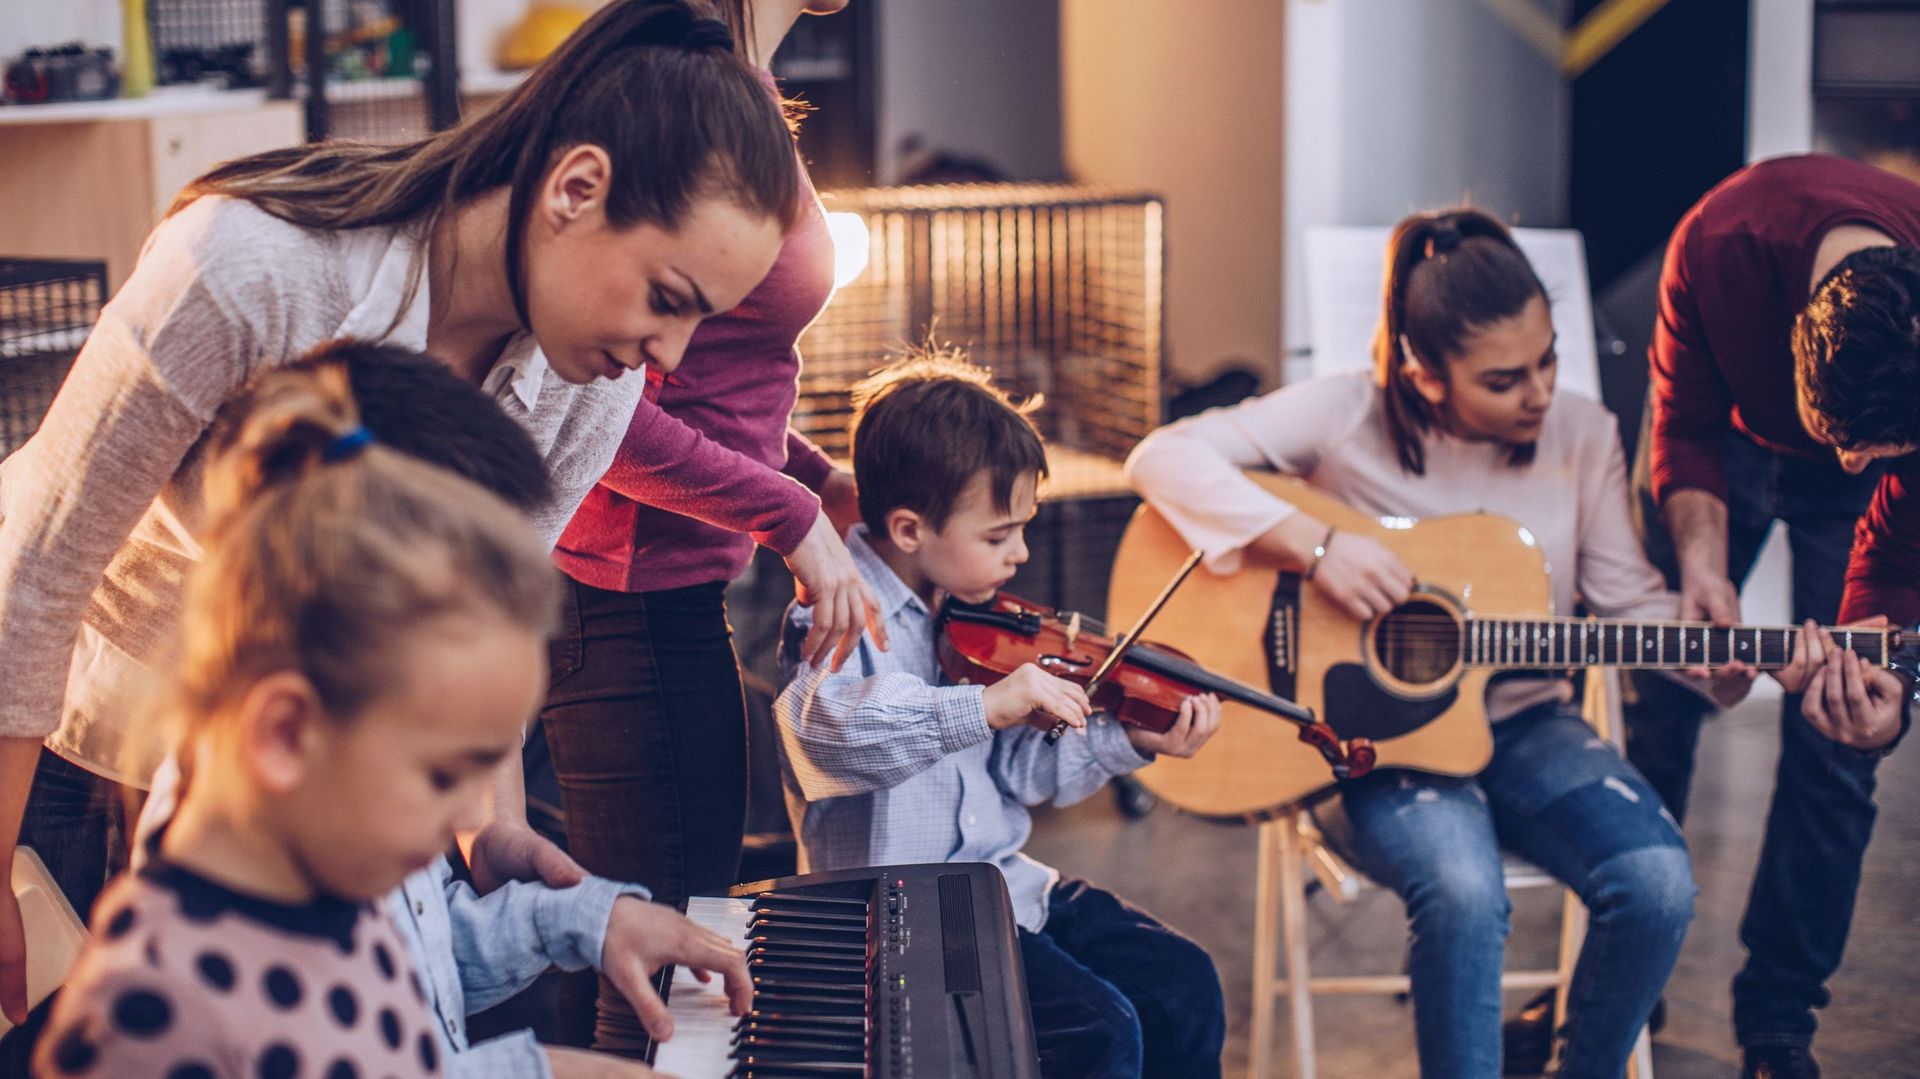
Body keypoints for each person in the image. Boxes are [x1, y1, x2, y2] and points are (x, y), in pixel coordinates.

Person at [0, 0, 800, 1034]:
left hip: (304, 765)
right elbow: (36, 575)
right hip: (83, 726)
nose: (673, 354)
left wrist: (492, 835)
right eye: (667, 295)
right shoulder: (251, 268)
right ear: (575, 188)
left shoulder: (589, 389)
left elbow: (482, 617)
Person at [1127, 208, 1753, 1076]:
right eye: (1503, 379)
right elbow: (1162, 456)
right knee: (1463, 891)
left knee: (1657, 886)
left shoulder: (1582, 433)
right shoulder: (1347, 412)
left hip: (1530, 724)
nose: (1538, 393)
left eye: (1548, 360)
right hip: (1364, 740)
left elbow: (1625, 602)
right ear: (1423, 372)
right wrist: (1318, 547)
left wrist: (1724, 659)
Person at [538, 0, 875, 1052]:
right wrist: (790, 513)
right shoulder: (672, 84)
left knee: (645, 946)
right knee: (662, 971)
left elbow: (721, 383)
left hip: (666, 579)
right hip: (621, 588)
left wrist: (820, 478)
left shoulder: (742, 85)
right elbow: (600, 405)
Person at [773, 352, 1228, 1079]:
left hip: (996, 883)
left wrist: (1121, 739)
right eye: (998, 536)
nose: (1019, 554)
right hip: (899, 917)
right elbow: (827, 737)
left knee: (1182, 982)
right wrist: (985, 704)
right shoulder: (840, 606)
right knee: (1098, 1030)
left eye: (1022, 528)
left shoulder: (970, 621)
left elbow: (1020, 772)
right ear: (910, 529)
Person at [1624, 153, 1920, 1078]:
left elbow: (1901, 540)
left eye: (1864, 449)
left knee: (1840, 732)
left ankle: (1779, 1018)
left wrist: (1884, 671)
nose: (1842, 464)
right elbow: (1681, 424)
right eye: (1841, 440)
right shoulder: (1718, 244)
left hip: (1884, 477)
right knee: (1661, 694)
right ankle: (1633, 964)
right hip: (1732, 444)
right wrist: (1703, 572)